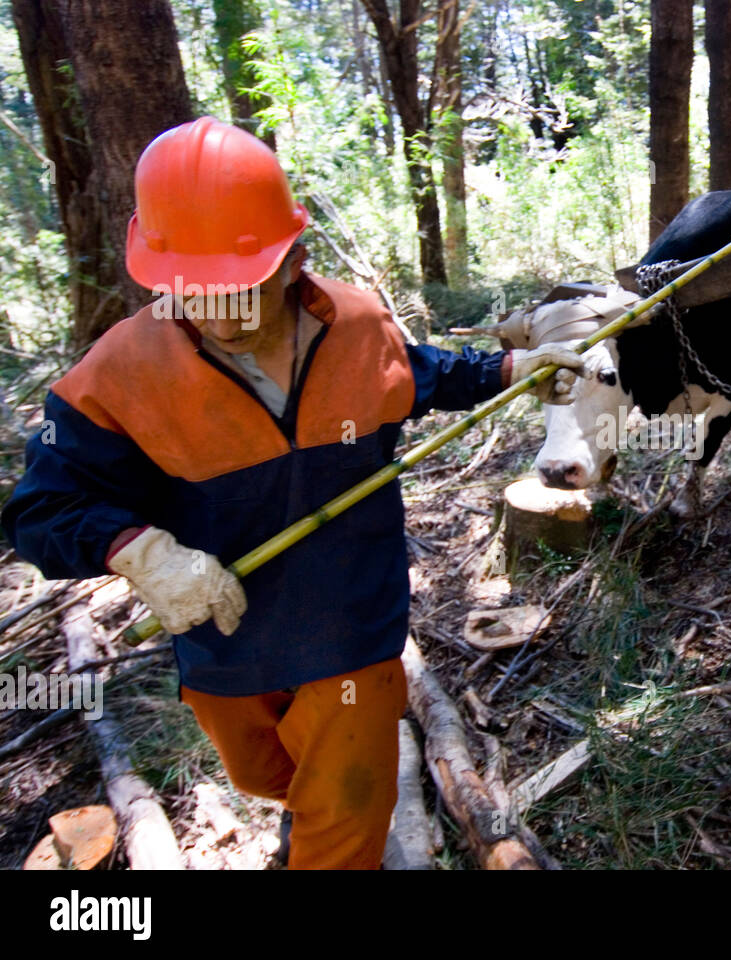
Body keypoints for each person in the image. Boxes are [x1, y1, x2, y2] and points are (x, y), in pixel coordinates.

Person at [0, 116, 588, 869]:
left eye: (241, 288)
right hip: (226, 646)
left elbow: (421, 373)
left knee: (343, 814)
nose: (223, 315)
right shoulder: (115, 377)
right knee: (268, 776)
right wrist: (138, 553)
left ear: (292, 261)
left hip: (351, 630)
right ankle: (316, 808)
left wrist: (514, 369)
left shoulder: (355, 324)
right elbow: (37, 512)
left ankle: (340, 818)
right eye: (197, 292)